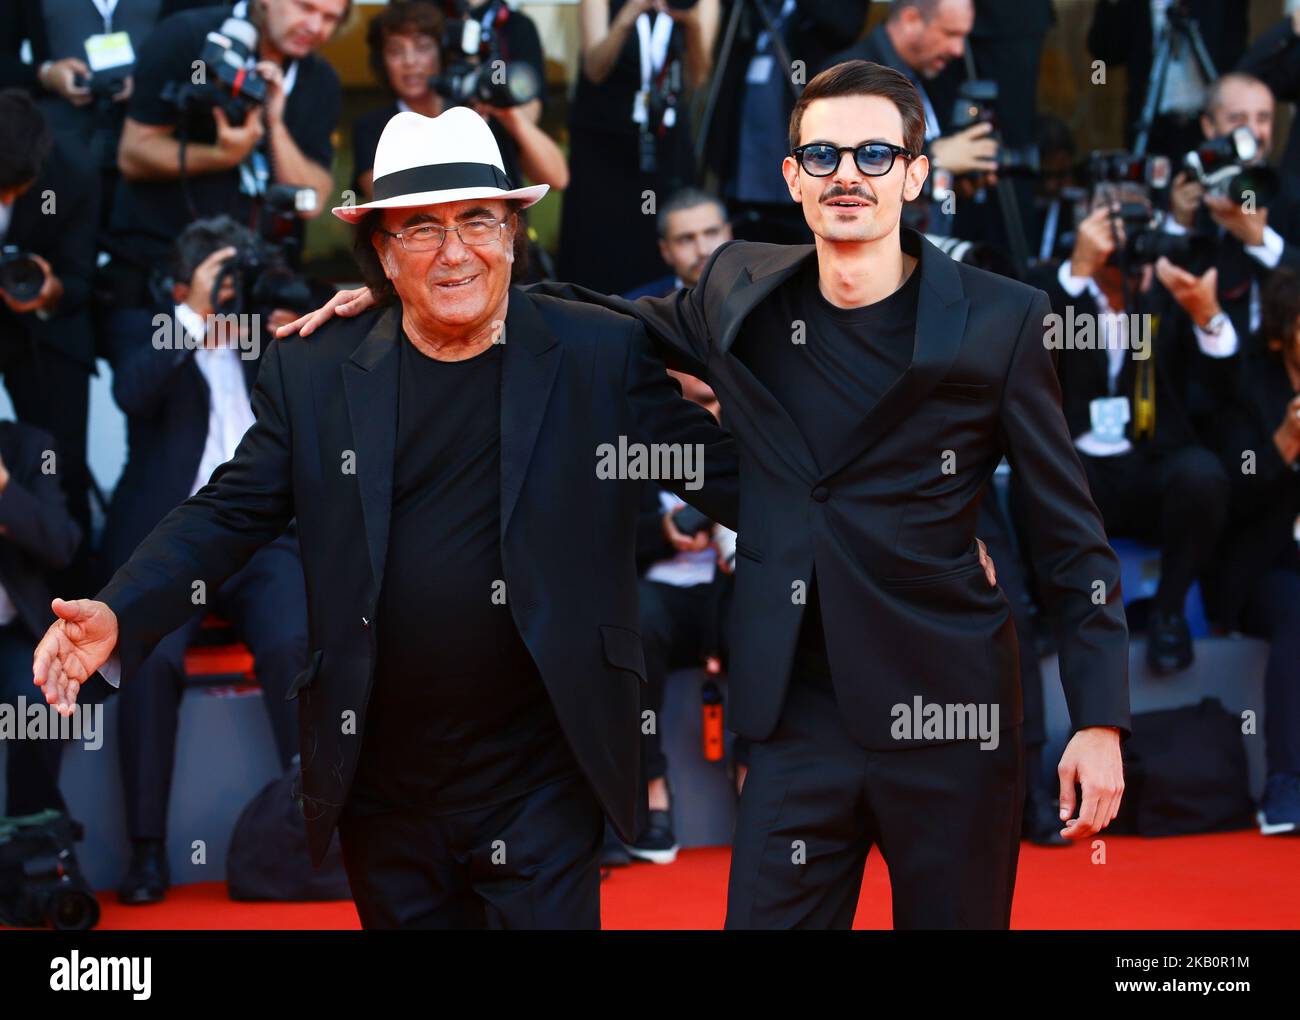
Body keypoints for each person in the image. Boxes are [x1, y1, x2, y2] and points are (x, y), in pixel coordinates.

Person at [280, 60, 1127, 930]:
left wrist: (1099, 719)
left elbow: (1071, 535)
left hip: (950, 711)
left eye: (876, 154)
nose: (848, 174)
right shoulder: (740, 290)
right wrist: (413, 297)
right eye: (823, 154)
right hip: (795, 716)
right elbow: (591, 320)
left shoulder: (1002, 318)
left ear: (916, 174)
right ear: (791, 175)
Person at [33, 106, 740, 930]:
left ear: (513, 231)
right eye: (419, 229)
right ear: (379, 252)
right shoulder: (315, 369)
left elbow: (739, 480)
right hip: (382, 780)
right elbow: (229, 510)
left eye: (478, 219)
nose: (454, 251)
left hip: (547, 774)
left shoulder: (595, 353)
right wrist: (121, 609)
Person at [100, 215, 308, 905]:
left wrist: (286, 327)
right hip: (174, 538)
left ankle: (313, 829)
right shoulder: (147, 326)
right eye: (217, 277)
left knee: (294, 644)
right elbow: (133, 390)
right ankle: (148, 852)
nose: (229, 290)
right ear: (179, 283)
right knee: (151, 662)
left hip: (261, 536)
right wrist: (192, 318)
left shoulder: (259, 332)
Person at [1034, 194, 1233, 674]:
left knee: (1204, 474)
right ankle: (1057, 616)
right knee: (1037, 476)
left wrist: (1209, 319)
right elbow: (1025, 366)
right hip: (1080, 475)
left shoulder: (1165, 294)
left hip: (1148, 469)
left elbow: (1222, 395)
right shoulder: (1051, 286)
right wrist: (1077, 274)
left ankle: (1168, 612)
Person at [1211, 266, 1300, 835]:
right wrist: (1284, 445)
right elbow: (1233, 500)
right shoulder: (1249, 389)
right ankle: (1286, 783)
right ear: (1280, 335)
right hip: (1264, 566)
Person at [0, 90, 98, 591]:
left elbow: (81, 281)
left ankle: (76, 610)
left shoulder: (74, 170)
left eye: (17, 189)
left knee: (60, 465)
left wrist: (49, 289)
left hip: (44, 330)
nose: (7, 203)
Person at [557, 0, 718, 294]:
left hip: (664, 143)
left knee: (656, 242)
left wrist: (690, 22)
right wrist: (631, 13)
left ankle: (659, 327)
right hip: (605, 142)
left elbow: (699, 75)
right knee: (599, 250)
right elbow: (594, 68)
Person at [351, 0, 567, 203]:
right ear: (383, 62)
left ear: (442, 54)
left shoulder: (475, 113)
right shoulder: (372, 127)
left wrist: (507, 112)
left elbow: (557, 178)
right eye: (395, 51)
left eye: (423, 47)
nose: (410, 61)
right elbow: (385, 197)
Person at [0, 419, 90, 821]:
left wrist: (5, 490)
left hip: (13, 630)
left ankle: (33, 843)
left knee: (36, 702)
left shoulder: (30, 447)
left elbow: (60, 543)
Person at [624, 187, 732, 298]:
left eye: (711, 233)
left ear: (729, 234)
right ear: (665, 251)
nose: (703, 251)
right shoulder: (638, 309)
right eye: (686, 239)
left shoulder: (750, 295)